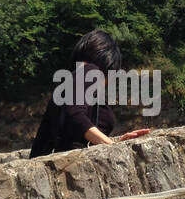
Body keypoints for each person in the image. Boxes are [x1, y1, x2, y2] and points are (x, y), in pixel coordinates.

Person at [30, 29, 149, 157]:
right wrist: (113, 146)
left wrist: (117, 143)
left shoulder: (77, 81)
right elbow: (75, 115)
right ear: (107, 62)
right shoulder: (89, 70)